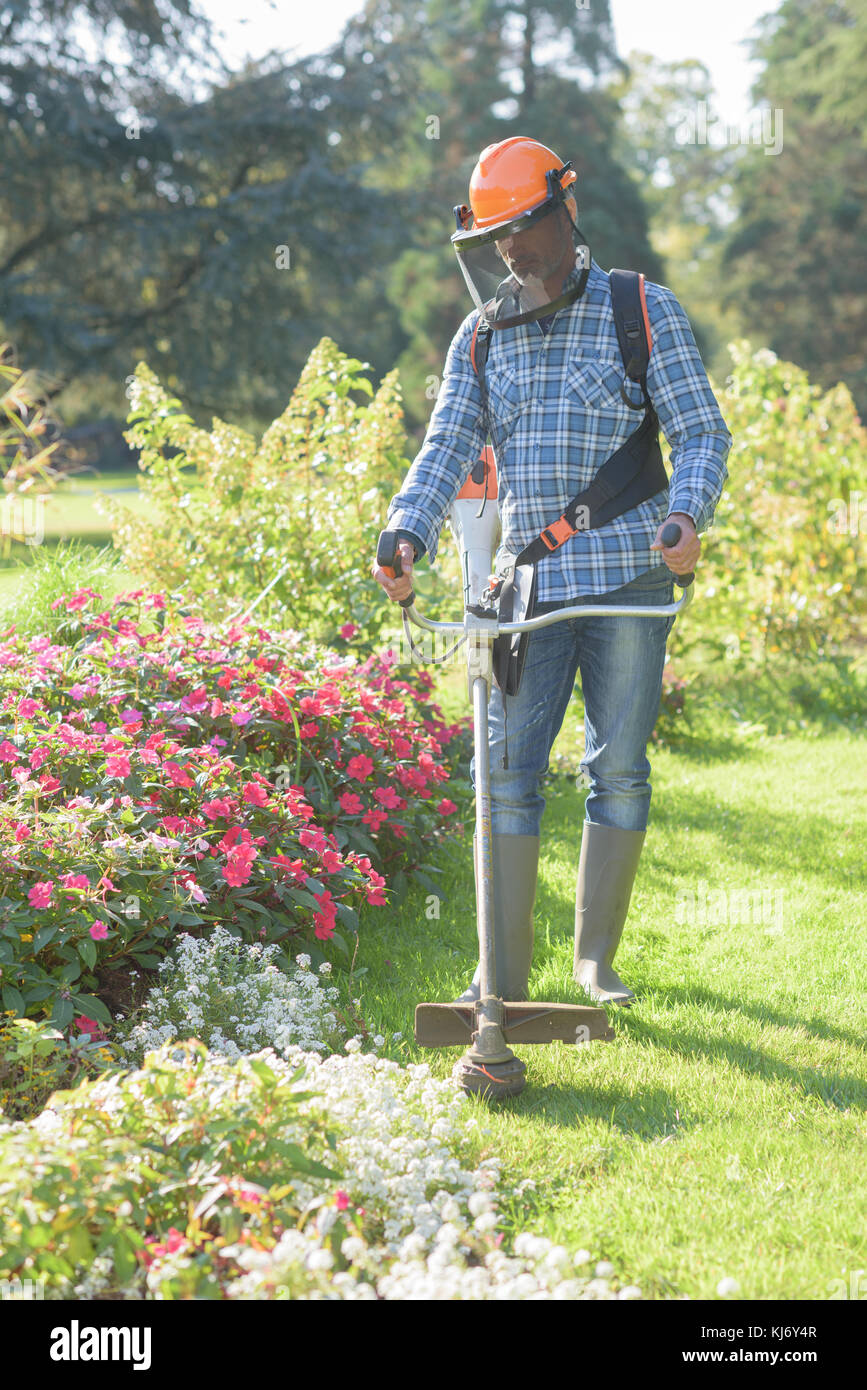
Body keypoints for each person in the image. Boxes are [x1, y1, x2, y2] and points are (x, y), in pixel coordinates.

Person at [372, 136, 732, 1006]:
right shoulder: (481, 335)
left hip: (627, 580)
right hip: (524, 593)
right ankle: (499, 976)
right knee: (504, 776)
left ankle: (592, 965)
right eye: (495, 235)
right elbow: (446, 446)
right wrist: (404, 530)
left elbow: (701, 432)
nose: (510, 248)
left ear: (564, 210)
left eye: (523, 225)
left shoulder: (638, 308)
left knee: (617, 769)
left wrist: (686, 516)